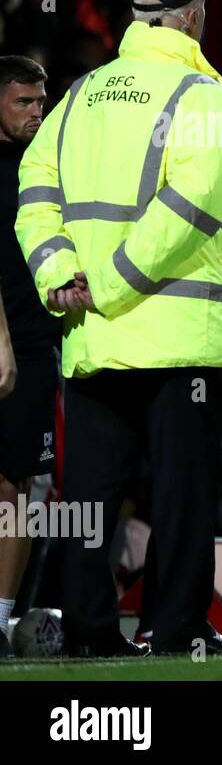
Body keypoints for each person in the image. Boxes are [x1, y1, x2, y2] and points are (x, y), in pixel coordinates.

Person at [14, 0, 222, 657]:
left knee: (90, 496)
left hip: (92, 332)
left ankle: (90, 633)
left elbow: (36, 185)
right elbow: (187, 209)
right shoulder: (209, 98)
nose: (206, 15)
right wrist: (117, 281)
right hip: (172, 331)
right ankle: (173, 627)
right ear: (185, 18)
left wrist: (60, 271)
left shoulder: (80, 94)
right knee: (181, 495)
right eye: (202, 7)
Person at [0, 56, 58, 658]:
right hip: (6, 344)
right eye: (22, 103)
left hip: (36, 346)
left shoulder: (44, 165)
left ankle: (0, 617)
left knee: (18, 484)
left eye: (40, 103)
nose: (35, 113)